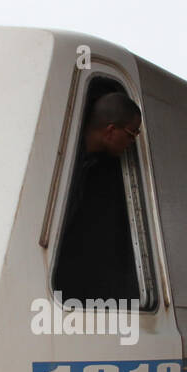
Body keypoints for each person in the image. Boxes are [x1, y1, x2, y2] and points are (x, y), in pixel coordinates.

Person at [53, 92, 143, 303]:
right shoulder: (65, 160)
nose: (132, 141)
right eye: (131, 134)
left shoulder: (96, 166)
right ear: (110, 131)